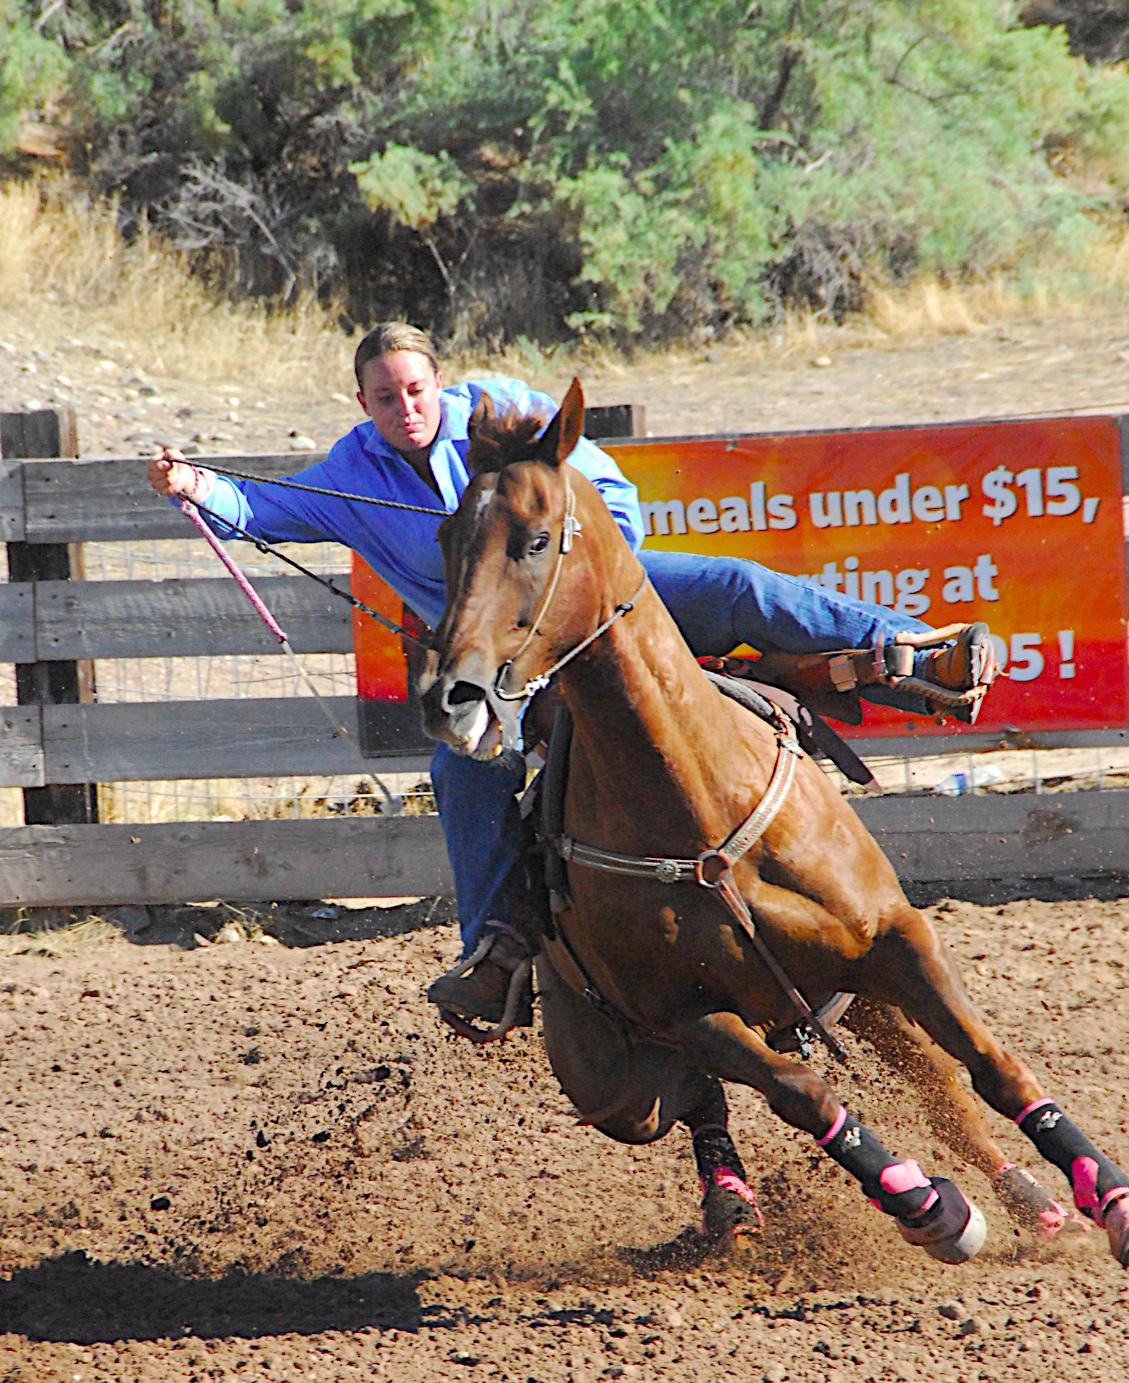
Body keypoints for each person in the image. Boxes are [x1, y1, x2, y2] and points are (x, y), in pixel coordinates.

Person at [148, 322, 994, 1028]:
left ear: (438, 383)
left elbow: (609, 496)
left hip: (591, 597)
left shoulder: (504, 418)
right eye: (382, 396)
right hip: (498, 656)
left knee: (738, 587)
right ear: (360, 403)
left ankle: (917, 659)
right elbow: (262, 506)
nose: (402, 408)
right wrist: (191, 483)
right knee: (467, 759)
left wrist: (583, 576)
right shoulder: (349, 477)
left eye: (413, 389)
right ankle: (494, 949)